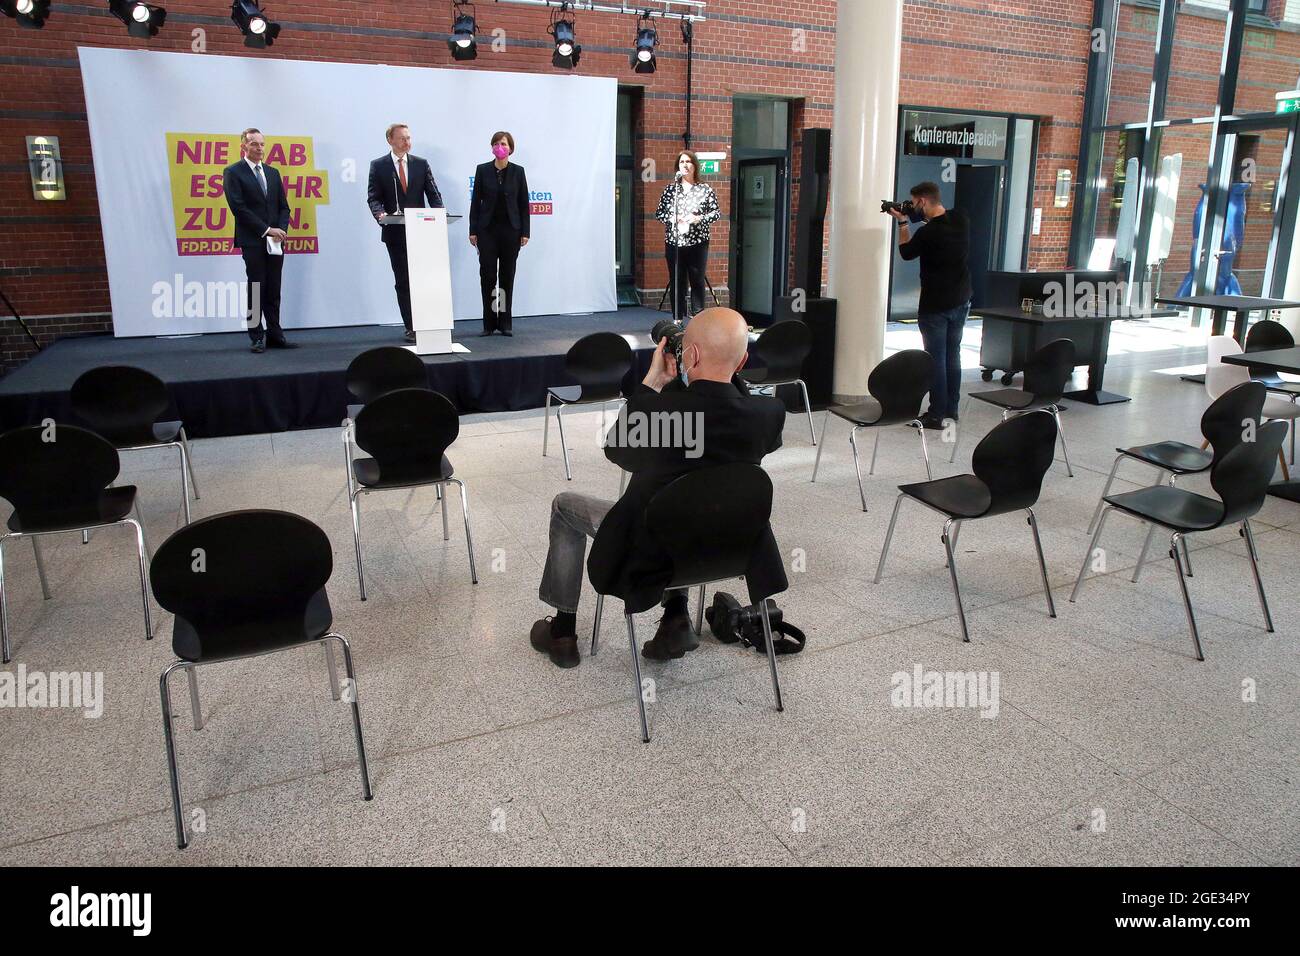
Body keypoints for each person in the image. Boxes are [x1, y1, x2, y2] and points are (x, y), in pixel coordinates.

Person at [530, 307, 786, 669]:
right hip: (728, 547)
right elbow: (726, 415)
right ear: (743, 360)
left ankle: (563, 631)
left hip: (653, 546)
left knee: (564, 505)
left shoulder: (662, 414)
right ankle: (675, 615)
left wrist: (652, 381)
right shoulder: (769, 413)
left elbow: (616, 450)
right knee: (685, 497)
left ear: (690, 354)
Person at [890, 181, 971, 429]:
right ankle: (951, 410)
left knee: (936, 360)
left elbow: (906, 252)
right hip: (961, 300)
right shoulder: (960, 219)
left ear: (922, 201)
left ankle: (936, 414)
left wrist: (903, 222)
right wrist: (915, 215)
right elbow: (938, 223)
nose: (912, 207)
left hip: (936, 305)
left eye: (914, 203)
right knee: (953, 356)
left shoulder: (927, 233)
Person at [366, 123, 445, 344]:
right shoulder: (379, 166)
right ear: (390, 140)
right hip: (395, 232)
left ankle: (428, 322)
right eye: (402, 138)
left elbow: (433, 194)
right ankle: (411, 326)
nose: (407, 142)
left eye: (409, 138)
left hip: (422, 232)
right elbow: (373, 197)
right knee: (403, 280)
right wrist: (380, 214)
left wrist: (439, 215)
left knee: (424, 279)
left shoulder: (421, 164)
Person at [223, 128, 294, 353]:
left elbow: (284, 206)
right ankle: (256, 336)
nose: (259, 148)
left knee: (274, 288)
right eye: (254, 144)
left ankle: (275, 334)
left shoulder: (273, 173)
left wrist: (280, 229)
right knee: (257, 287)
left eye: (262, 144)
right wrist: (266, 230)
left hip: (275, 241)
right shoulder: (233, 172)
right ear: (244, 146)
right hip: (253, 240)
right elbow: (238, 208)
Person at [468, 131, 530, 337]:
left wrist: (525, 232)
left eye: (503, 143)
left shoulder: (518, 172)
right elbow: (476, 202)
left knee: (506, 276)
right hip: (487, 231)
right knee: (487, 276)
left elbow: (523, 205)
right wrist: (473, 230)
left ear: (510, 148)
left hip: (511, 232)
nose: (499, 146)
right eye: (496, 143)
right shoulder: (482, 170)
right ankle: (489, 323)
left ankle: (504, 322)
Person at [655, 150, 720, 322]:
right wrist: (673, 218)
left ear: (695, 166)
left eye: (689, 162)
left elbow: (716, 213)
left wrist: (698, 218)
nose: (685, 165)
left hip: (698, 243)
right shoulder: (671, 190)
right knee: (677, 282)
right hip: (675, 242)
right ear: (678, 166)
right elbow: (659, 213)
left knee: (697, 281)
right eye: (682, 162)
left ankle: (698, 319)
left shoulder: (704, 189)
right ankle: (677, 319)